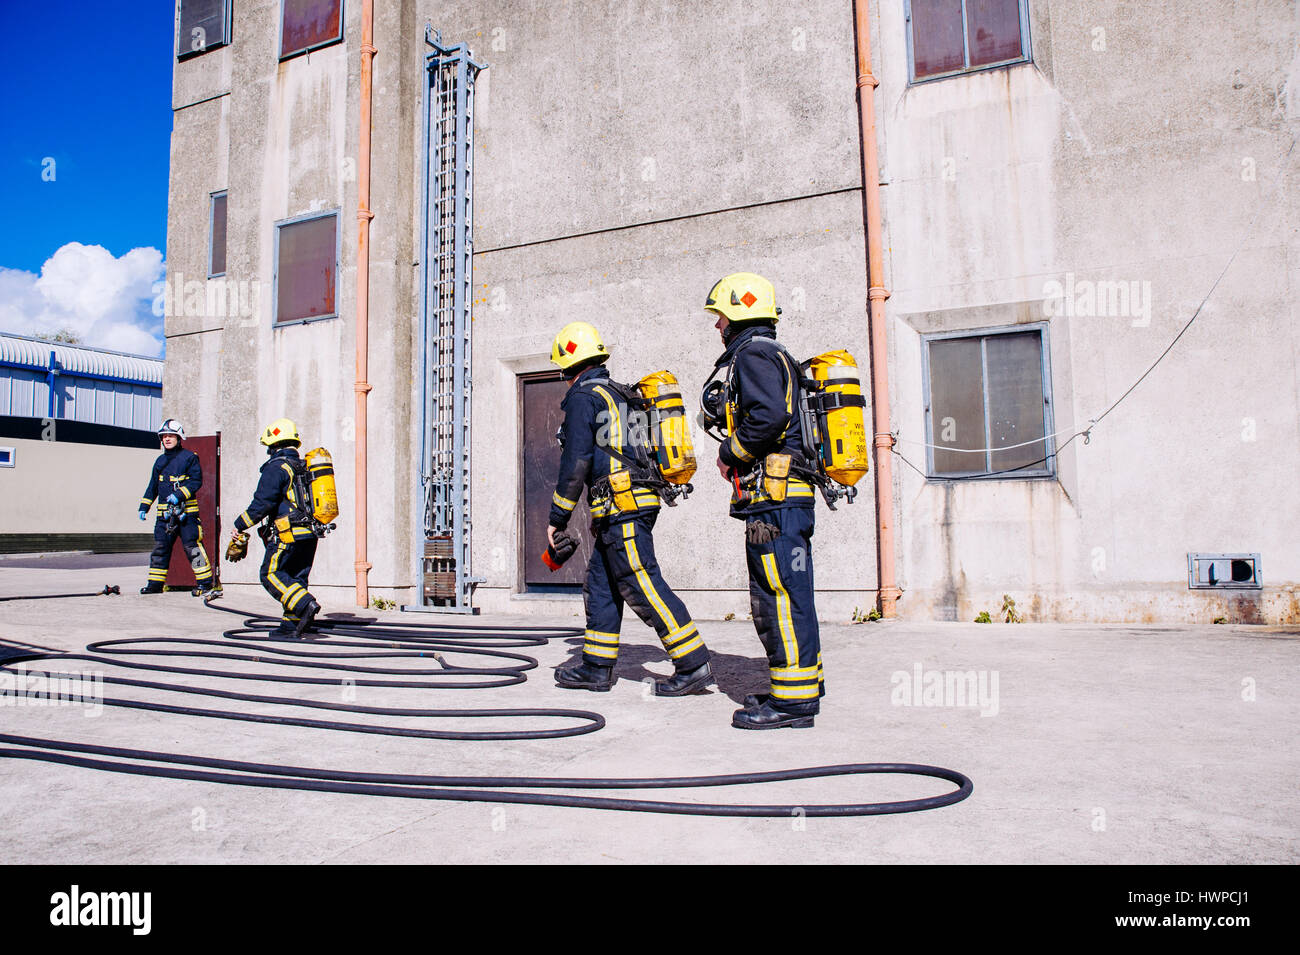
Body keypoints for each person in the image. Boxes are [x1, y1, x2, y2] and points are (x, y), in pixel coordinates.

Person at [547, 321, 714, 696]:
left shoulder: (582, 397)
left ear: (566, 365)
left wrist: (558, 517)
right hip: (630, 503)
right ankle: (596, 667)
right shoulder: (621, 394)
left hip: (622, 507)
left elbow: (576, 461)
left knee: (641, 581)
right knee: (602, 585)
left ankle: (693, 663)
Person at [703, 272, 824, 729]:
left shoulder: (753, 354)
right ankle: (799, 685)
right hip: (786, 501)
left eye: (721, 317)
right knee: (792, 592)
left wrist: (728, 452)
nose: (717, 326)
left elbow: (768, 417)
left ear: (738, 316)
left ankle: (793, 704)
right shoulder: (776, 354)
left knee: (777, 595)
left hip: (775, 505)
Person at [229, 418, 321, 638]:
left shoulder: (277, 467)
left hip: (287, 532)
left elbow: (263, 503)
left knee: (270, 574)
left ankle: (305, 604)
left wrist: (240, 525)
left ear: (274, 445)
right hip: (309, 532)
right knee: (295, 577)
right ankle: (292, 626)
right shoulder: (303, 466)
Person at [138, 418, 217, 597]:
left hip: (186, 516)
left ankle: (205, 583)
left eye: (171, 436)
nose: (167, 439)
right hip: (164, 517)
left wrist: (180, 494)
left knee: (193, 548)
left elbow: (196, 481)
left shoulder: (190, 457)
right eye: (164, 436)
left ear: (179, 437)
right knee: (160, 549)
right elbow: (153, 487)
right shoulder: (160, 461)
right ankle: (155, 585)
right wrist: (144, 505)